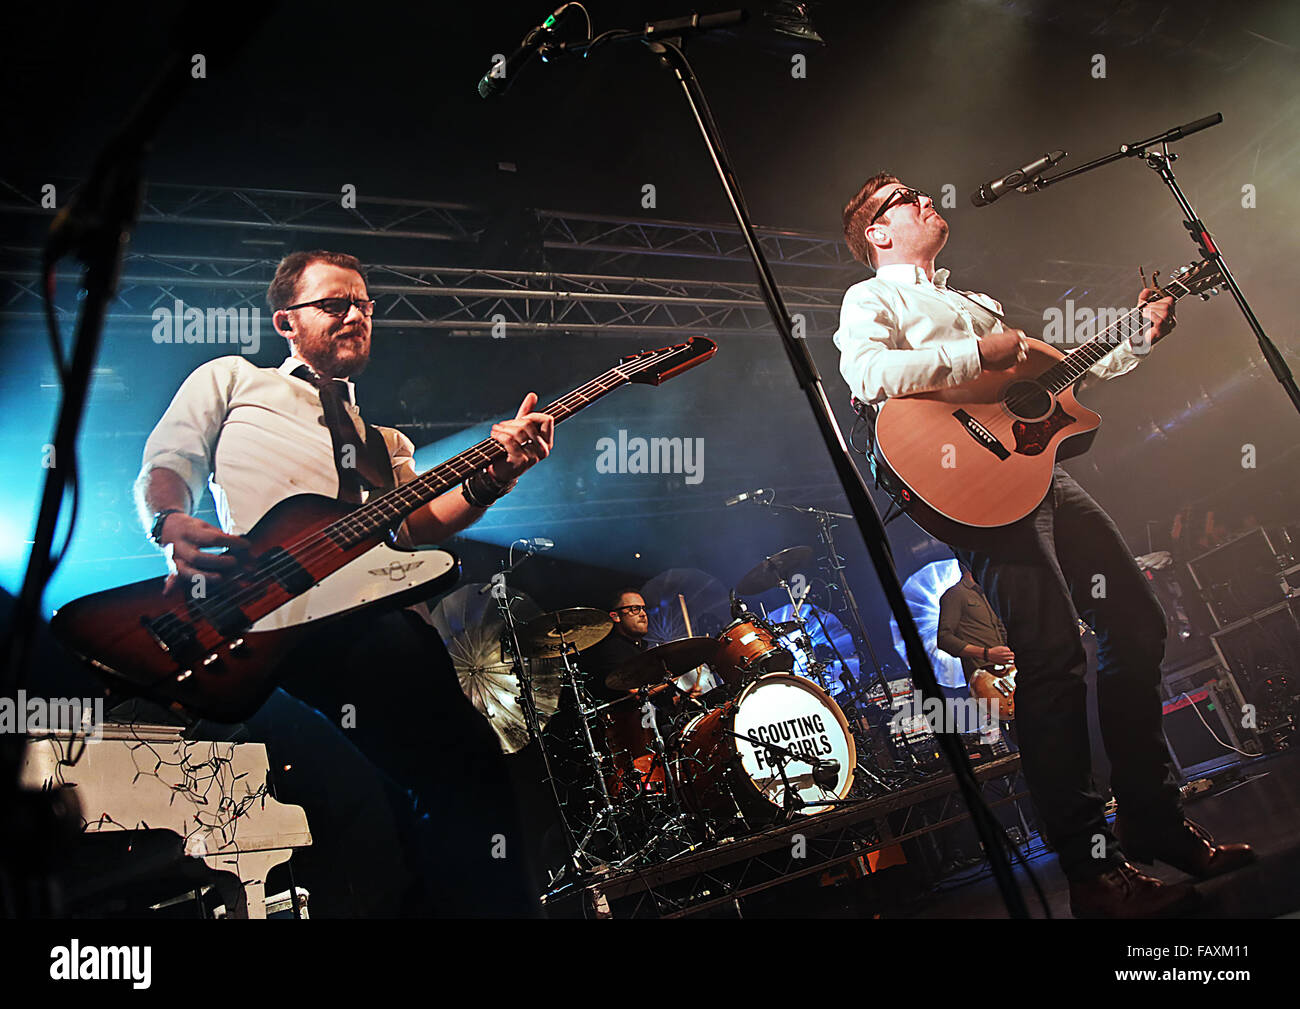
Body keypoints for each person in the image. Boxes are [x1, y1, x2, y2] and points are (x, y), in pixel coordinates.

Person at [835, 175, 1254, 918]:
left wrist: (1137, 337)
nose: (927, 197)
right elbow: (867, 374)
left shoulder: (975, 302)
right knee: (1053, 653)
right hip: (968, 481)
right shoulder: (876, 299)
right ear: (877, 231)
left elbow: (1053, 377)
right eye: (905, 196)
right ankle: (1092, 870)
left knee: (1135, 623)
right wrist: (982, 349)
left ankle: (1155, 819)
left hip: (1036, 474)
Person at [134, 249, 555, 916]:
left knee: (419, 805)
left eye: (365, 304)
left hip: (376, 611)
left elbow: (416, 525)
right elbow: (169, 459)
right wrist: (169, 518)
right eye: (336, 303)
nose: (356, 314)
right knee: (466, 773)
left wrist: (495, 475)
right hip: (287, 611)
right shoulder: (233, 380)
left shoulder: (380, 440)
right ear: (286, 321)